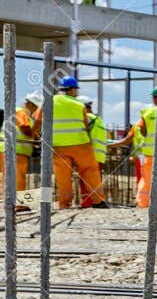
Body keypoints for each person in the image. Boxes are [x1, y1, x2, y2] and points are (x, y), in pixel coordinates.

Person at [33, 77, 104, 209]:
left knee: (63, 177)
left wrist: (34, 136)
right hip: (80, 144)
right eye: (76, 90)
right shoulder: (79, 104)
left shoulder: (48, 101)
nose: (76, 93)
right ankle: (98, 200)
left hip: (57, 146)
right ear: (71, 90)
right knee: (90, 171)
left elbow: (37, 121)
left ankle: (64, 204)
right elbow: (85, 126)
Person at [0, 94, 39, 196]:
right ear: (31, 104)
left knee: (12, 178)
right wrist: (35, 134)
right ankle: (18, 204)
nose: (37, 112)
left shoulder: (26, 115)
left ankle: (12, 203)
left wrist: (35, 137)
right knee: (17, 178)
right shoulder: (20, 112)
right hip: (14, 150)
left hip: (15, 150)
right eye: (37, 108)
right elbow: (25, 130)